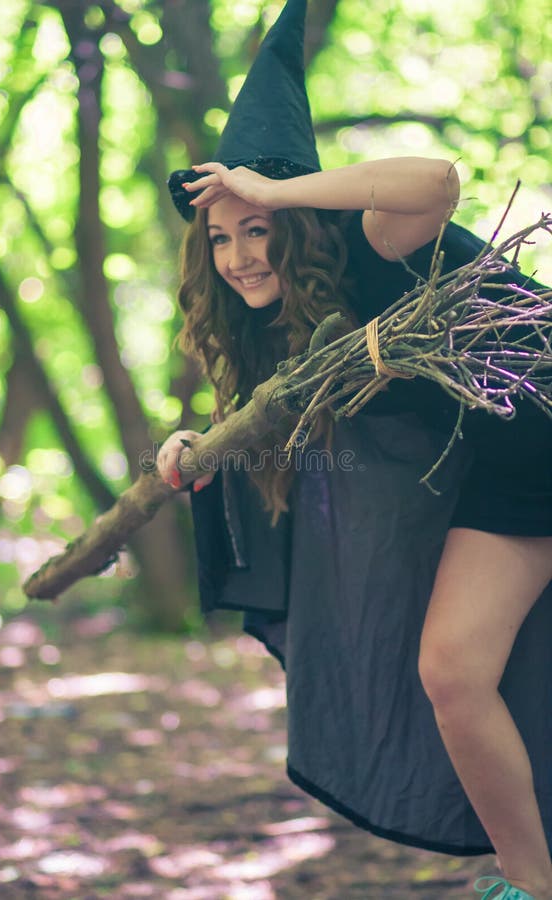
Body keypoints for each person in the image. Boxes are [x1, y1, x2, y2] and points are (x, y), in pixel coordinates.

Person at [155, 2, 552, 898]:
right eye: (218, 237)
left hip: (544, 422)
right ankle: (530, 881)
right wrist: (189, 445)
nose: (238, 254)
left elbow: (436, 179)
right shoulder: (287, 324)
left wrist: (276, 190)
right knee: (453, 670)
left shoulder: (370, 243)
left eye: (252, 227)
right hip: (510, 473)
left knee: (456, 668)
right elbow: (260, 425)